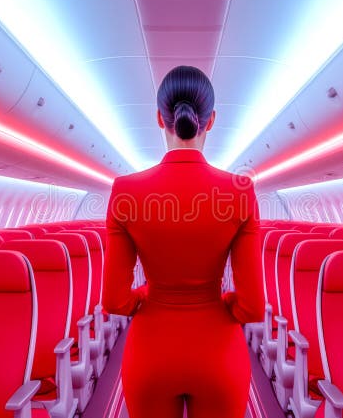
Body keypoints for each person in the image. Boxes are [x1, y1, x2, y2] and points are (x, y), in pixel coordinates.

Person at [102, 65, 264, 418]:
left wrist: (147, 294)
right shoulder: (240, 193)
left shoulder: (125, 191)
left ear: (161, 119)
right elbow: (252, 308)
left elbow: (113, 301)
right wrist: (218, 300)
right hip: (219, 354)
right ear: (211, 120)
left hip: (151, 353)